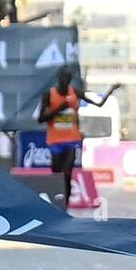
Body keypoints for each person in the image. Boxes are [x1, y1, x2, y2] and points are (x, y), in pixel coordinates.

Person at [37, 67, 116, 207]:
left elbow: (99, 104)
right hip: (55, 140)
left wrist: (111, 90)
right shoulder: (49, 94)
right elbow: (41, 118)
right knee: (56, 171)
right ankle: (55, 199)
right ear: (58, 78)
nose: (65, 81)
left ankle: (65, 205)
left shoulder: (75, 92)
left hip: (72, 139)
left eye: (68, 78)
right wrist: (59, 109)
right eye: (63, 78)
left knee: (67, 173)